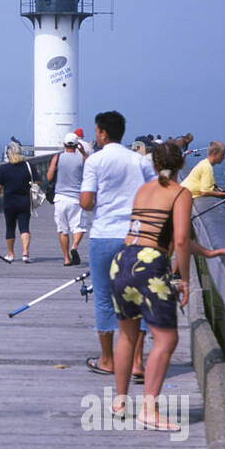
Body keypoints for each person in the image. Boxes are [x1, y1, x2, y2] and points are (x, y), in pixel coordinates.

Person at [109, 142, 225, 429]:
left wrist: (207, 252)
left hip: (123, 260)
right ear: (182, 166)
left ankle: (119, 402)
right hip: (150, 267)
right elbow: (177, 240)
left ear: (153, 165)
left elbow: (154, 233)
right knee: (166, 340)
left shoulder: (143, 190)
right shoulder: (180, 193)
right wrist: (185, 280)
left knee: (127, 335)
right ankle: (148, 410)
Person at [79, 111, 153, 375]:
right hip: (136, 236)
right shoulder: (140, 161)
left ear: (102, 133)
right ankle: (136, 363)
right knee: (138, 297)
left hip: (103, 236)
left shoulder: (95, 161)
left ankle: (108, 360)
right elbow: (155, 194)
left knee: (103, 298)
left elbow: (86, 202)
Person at [46, 133, 86, 266]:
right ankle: (74, 247)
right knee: (78, 227)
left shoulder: (57, 157)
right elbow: (90, 168)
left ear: (64, 144)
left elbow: (49, 177)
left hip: (60, 198)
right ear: (77, 145)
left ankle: (66, 259)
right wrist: (83, 152)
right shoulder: (82, 158)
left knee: (63, 230)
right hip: (76, 199)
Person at [0, 141, 34, 263]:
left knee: (10, 228)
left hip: (9, 203)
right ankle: (25, 253)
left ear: (8, 154)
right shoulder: (28, 166)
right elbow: (37, 182)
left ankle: (10, 254)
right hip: (25, 201)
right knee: (24, 227)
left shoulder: (4, 168)